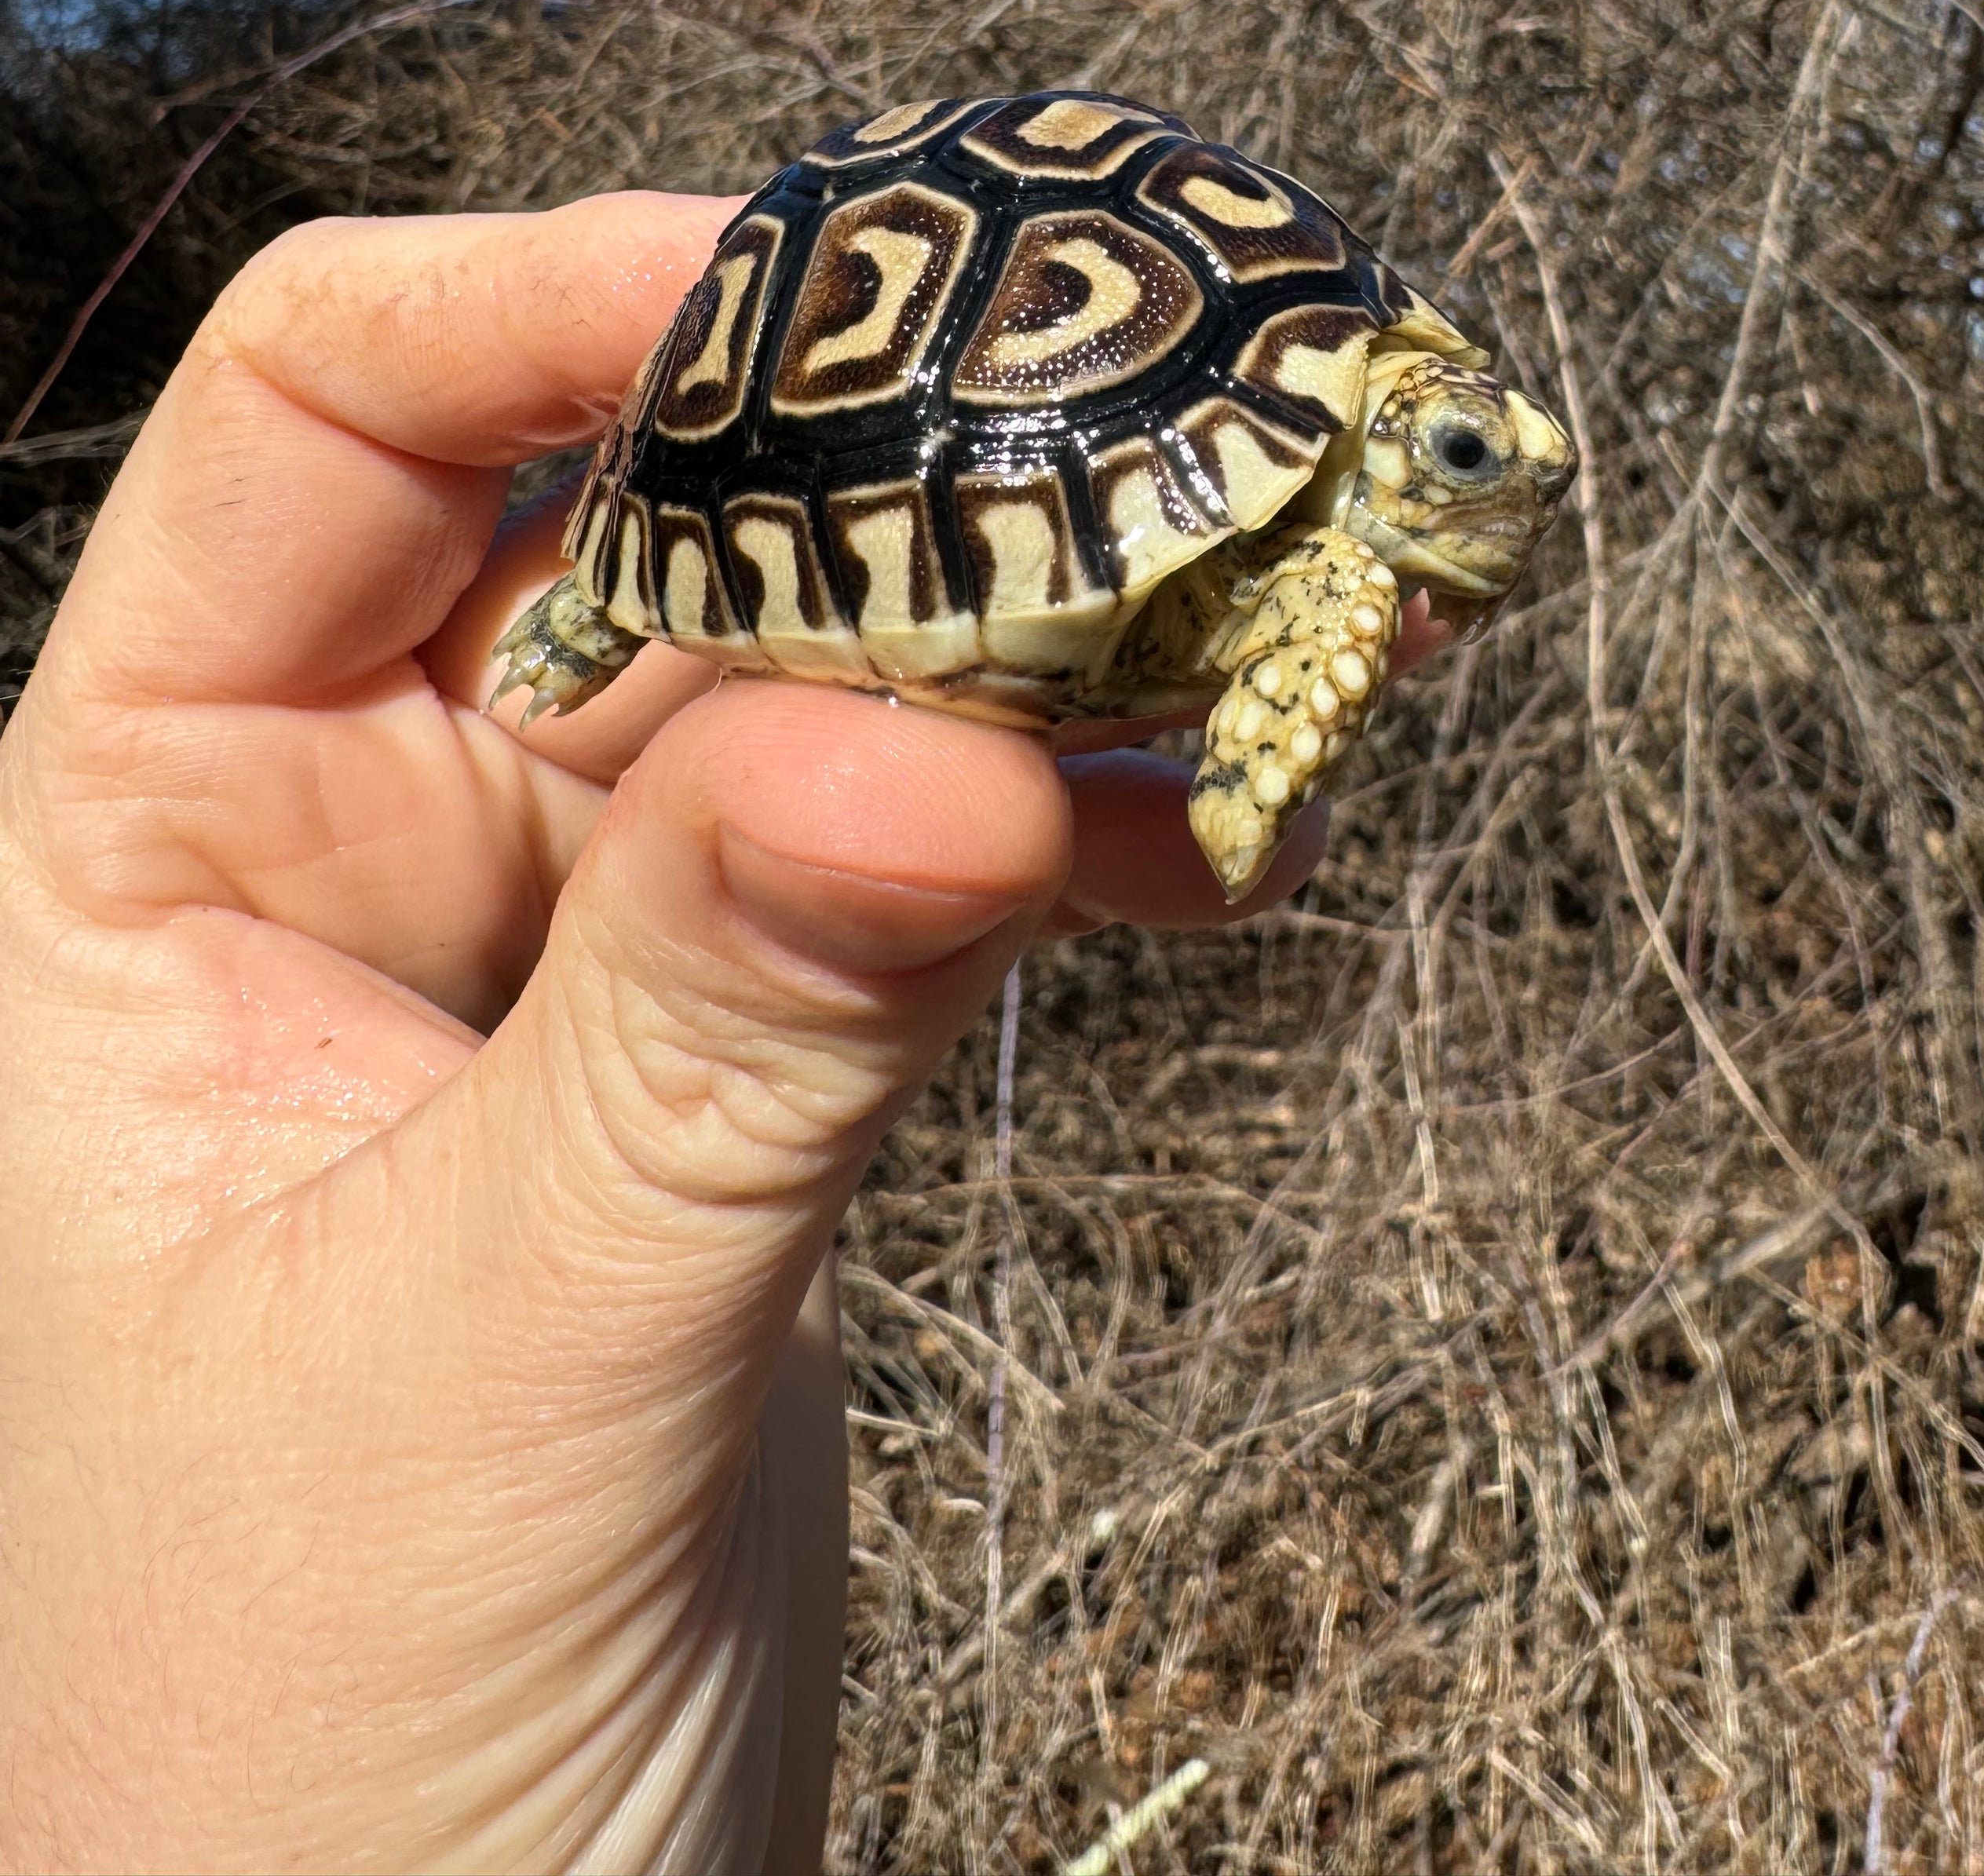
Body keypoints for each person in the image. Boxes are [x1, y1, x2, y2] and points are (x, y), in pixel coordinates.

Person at [0, 195, 1401, 1875]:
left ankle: (613, 596)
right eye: (1452, 454)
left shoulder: (1314, 506)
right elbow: (1313, 596)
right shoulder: (1310, 543)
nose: (1485, 499)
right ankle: (610, 596)